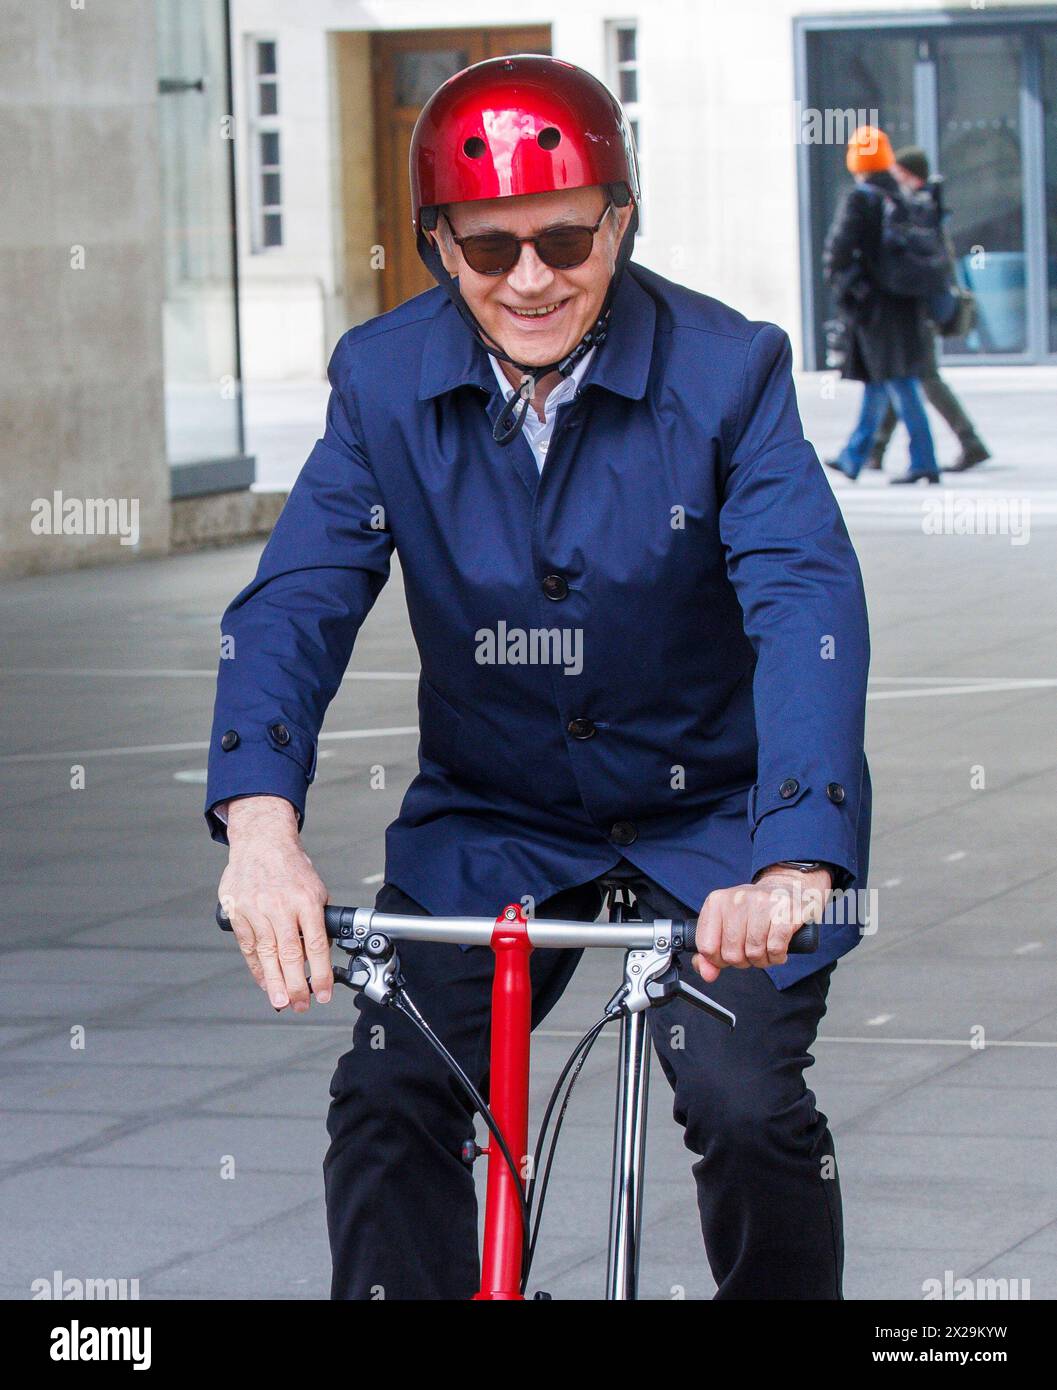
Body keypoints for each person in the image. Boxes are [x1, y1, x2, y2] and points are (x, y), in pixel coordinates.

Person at [206, 56, 871, 1300]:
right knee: (391, 1095)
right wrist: (259, 823)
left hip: (716, 818)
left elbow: (805, 604)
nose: (529, 281)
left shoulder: (730, 372)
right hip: (497, 817)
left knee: (744, 1106)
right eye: (487, 247)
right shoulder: (382, 380)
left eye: (566, 239)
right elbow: (296, 602)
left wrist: (793, 860)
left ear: (620, 217)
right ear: (436, 246)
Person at [823, 125, 941, 485]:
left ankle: (924, 461)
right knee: (880, 381)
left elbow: (839, 249)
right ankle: (853, 456)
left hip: (874, 309)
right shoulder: (901, 195)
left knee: (898, 382)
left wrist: (842, 286)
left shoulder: (861, 198)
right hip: (905, 304)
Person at [864, 146, 990, 475]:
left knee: (922, 377)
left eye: (900, 173)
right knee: (903, 376)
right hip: (922, 306)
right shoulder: (922, 205)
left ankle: (969, 442)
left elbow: (926, 262)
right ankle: (875, 448)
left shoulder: (920, 208)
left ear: (910, 175)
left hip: (920, 309)